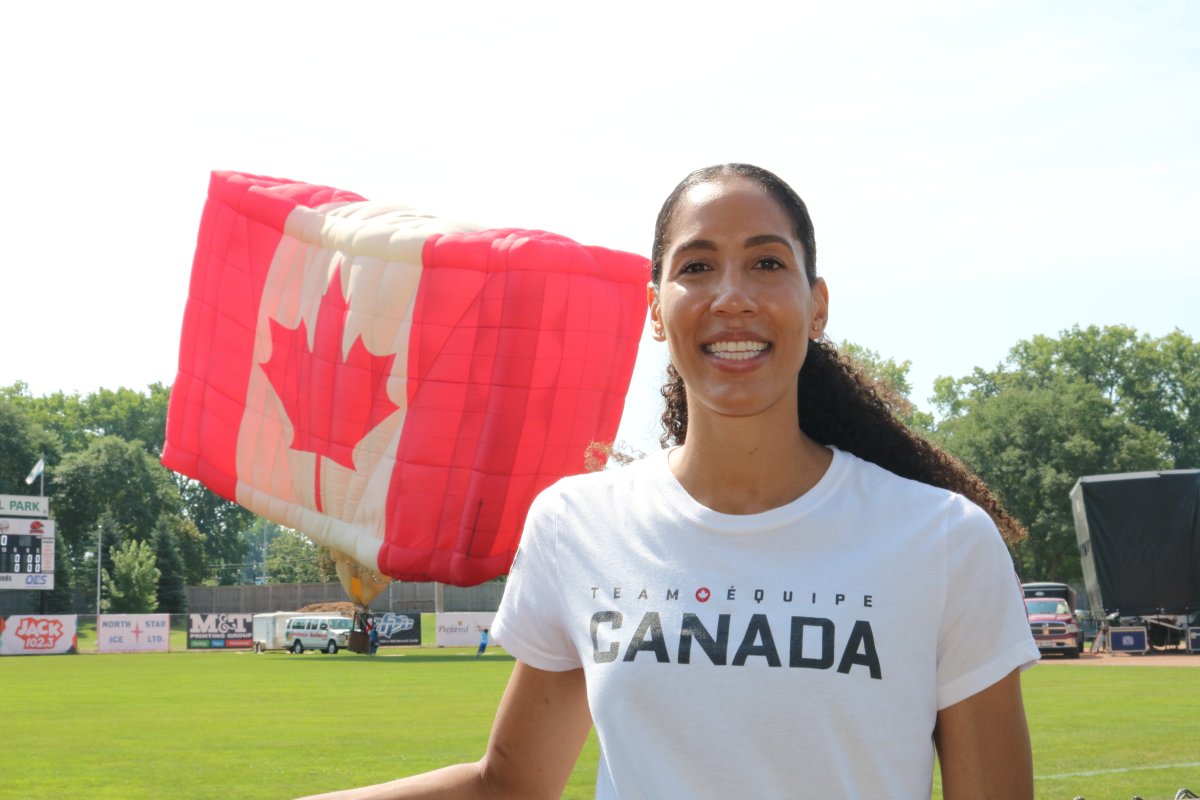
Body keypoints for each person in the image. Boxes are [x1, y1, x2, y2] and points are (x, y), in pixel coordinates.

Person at [304, 164, 1039, 799]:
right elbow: (512, 783)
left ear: (817, 305)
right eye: (695, 266)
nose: (732, 296)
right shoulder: (575, 525)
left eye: (766, 263)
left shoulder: (942, 540)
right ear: (655, 309)